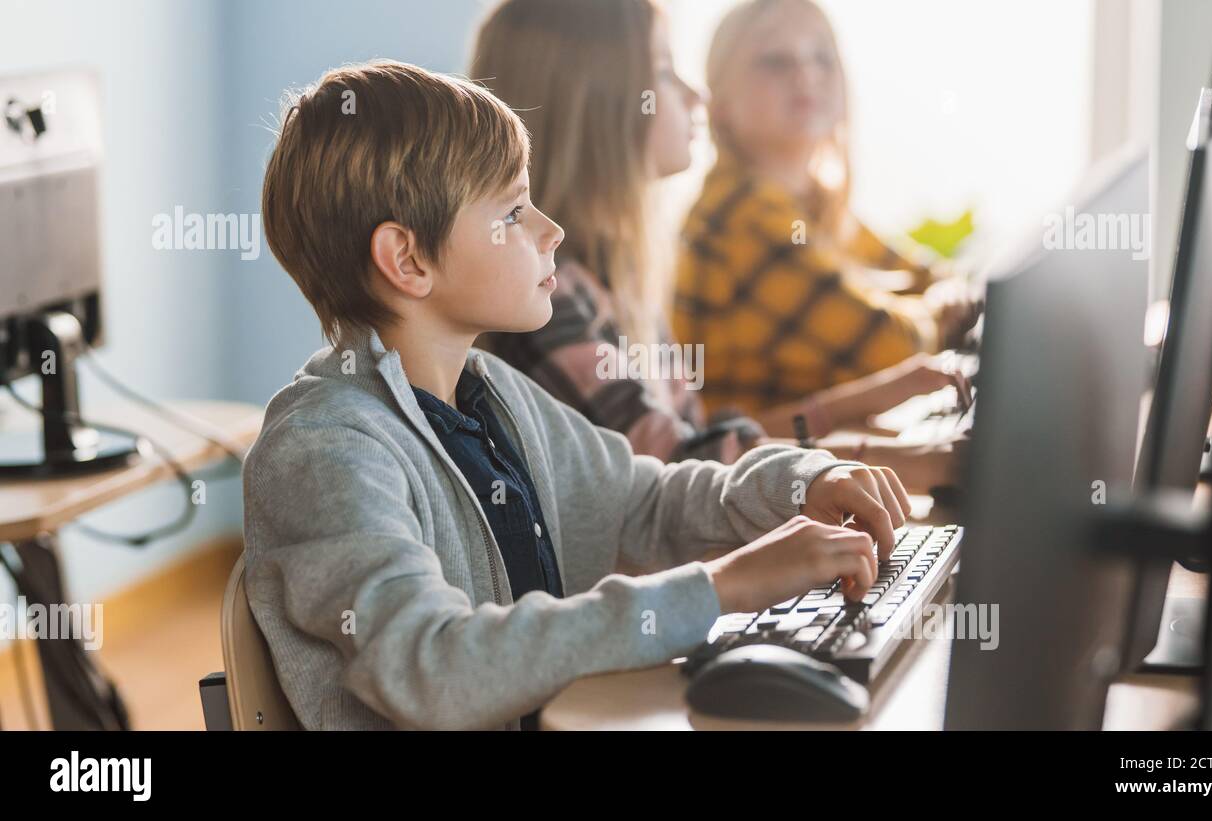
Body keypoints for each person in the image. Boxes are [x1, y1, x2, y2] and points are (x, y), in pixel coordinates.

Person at [246, 60, 910, 730]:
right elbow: (432, 665)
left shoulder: (493, 393)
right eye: (513, 209)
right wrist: (718, 587)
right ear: (408, 260)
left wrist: (801, 482)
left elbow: (645, 503)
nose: (550, 229)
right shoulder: (325, 449)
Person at [472, 0, 968, 485]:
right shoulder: (548, 295)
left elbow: (703, 436)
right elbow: (680, 474)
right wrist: (912, 461)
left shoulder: (616, 274)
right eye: (665, 70)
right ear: (594, 101)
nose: (698, 96)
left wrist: (868, 402)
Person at [674, 0, 981, 431]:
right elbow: (889, 343)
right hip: (752, 483)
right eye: (775, 61)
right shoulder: (741, 214)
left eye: (821, 57)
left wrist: (942, 292)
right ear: (719, 103)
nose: (806, 74)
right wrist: (937, 306)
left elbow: (926, 273)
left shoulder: (812, 201)